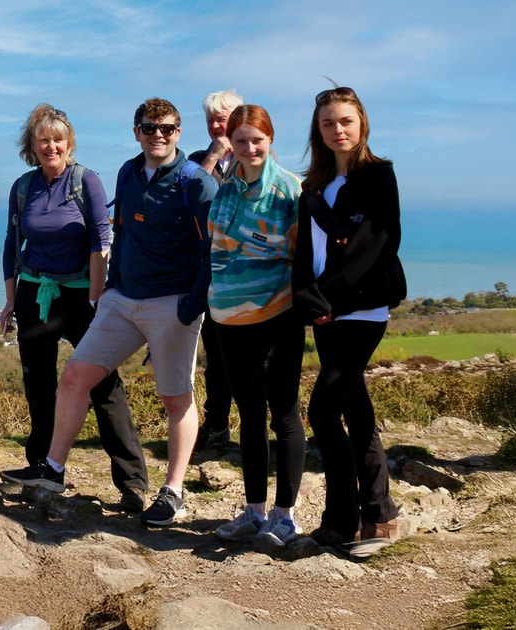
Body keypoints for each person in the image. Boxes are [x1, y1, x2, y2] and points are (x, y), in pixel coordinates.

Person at [1, 98, 219, 528]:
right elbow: (120, 234)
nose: (158, 134)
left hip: (162, 301)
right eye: (150, 127)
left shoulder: (195, 183)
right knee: (73, 377)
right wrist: (113, 287)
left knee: (173, 397)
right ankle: (53, 470)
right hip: (115, 297)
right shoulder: (128, 172)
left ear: (179, 132)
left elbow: (210, 250)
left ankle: (167, 490)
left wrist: (191, 306)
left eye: (168, 128)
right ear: (136, 131)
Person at [0, 104, 150, 512]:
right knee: (38, 382)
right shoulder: (24, 186)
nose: (51, 146)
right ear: (32, 146)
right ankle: (44, 467)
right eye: (43, 139)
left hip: (82, 296)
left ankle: (132, 481)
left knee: (102, 384)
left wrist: (97, 299)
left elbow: (101, 239)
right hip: (35, 294)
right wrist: (12, 300)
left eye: (57, 139)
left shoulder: (86, 181)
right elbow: (12, 246)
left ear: (69, 144)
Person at [293, 85, 406, 558]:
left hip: (360, 309)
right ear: (318, 131)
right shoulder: (313, 187)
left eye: (345, 121)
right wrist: (304, 297)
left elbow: (376, 245)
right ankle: (380, 514)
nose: (338, 130)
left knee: (322, 410)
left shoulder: (379, 176)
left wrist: (326, 299)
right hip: (323, 310)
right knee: (355, 410)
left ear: (361, 124)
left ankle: (343, 517)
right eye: (328, 123)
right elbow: (304, 251)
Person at [205, 104, 307, 548]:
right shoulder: (226, 189)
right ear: (231, 142)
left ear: (270, 139)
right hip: (228, 319)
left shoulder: (290, 190)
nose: (250, 148)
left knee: (283, 413)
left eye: (257, 140)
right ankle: (254, 511)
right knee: (248, 414)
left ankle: (285, 516)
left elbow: (303, 256)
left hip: (277, 315)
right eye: (241, 140)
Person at [188, 90, 244, 452]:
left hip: (248, 274)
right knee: (217, 359)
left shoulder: (254, 156)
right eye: (211, 119)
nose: (215, 125)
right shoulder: (195, 160)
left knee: (254, 358)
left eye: (222, 118)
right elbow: (188, 196)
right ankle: (217, 425)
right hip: (210, 273)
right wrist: (213, 157)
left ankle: (263, 427)